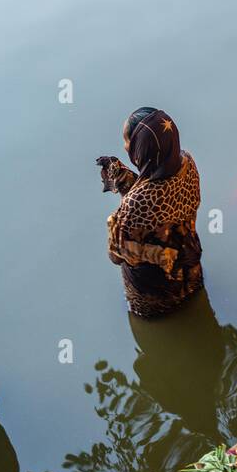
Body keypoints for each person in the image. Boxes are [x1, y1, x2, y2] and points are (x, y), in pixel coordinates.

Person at [97, 107, 203, 317]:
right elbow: (160, 204)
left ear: (140, 148)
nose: (124, 146)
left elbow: (116, 254)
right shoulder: (187, 163)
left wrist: (122, 201)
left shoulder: (136, 203)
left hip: (157, 296)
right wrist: (125, 180)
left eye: (127, 142)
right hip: (191, 274)